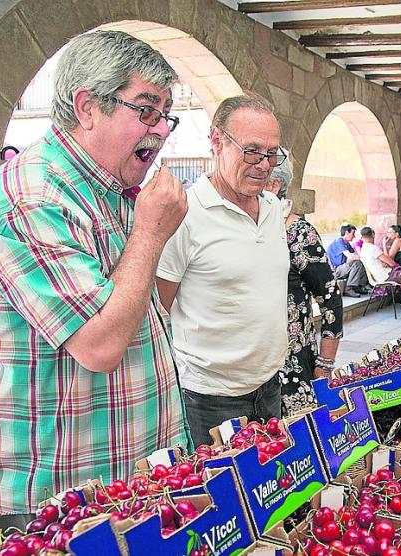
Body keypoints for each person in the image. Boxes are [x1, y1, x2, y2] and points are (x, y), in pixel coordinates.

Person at [0, 30, 189, 540]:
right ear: (87, 106)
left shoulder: (112, 191)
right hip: (54, 497)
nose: (160, 131)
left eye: (165, 116)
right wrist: (151, 232)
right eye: (146, 111)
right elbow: (102, 344)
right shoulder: (29, 196)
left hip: (122, 477)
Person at [156, 95, 290, 447]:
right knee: (221, 496)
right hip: (210, 398)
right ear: (216, 141)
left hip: (270, 387)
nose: (263, 165)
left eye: (272, 153)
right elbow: (158, 310)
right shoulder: (186, 213)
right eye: (251, 151)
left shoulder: (274, 209)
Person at [265, 157, 344, 414]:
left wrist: (325, 364)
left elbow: (330, 298)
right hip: (255, 367)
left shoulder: (299, 234)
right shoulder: (254, 230)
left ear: (274, 185)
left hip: (292, 365)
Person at [327, 224, 369, 297]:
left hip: (342, 268)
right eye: (353, 234)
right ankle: (348, 288)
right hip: (335, 270)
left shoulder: (347, 243)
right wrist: (364, 257)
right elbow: (350, 256)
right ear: (346, 233)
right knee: (357, 263)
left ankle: (358, 286)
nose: (354, 236)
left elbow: (355, 253)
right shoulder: (339, 242)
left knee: (361, 263)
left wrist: (360, 244)